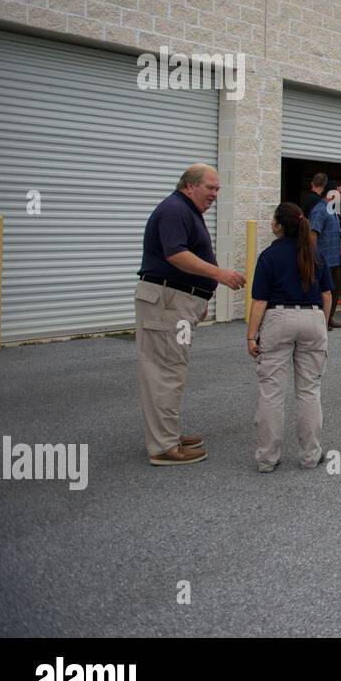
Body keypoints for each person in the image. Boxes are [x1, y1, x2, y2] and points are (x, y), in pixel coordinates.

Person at [136, 164, 245, 466]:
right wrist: (219, 274)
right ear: (189, 186)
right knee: (165, 370)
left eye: (217, 189)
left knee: (172, 368)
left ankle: (168, 435)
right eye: (210, 187)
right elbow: (176, 254)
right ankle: (163, 447)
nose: (215, 194)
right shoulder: (175, 210)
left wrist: (198, 296)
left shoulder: (185, 210)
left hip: (177, 301)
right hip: (167, 301)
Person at [247, 202, 332, 473]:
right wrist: (324, 322)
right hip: (313, 318)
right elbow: (327, 294)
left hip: (278, 318)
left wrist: (252, 335)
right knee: (309, 390)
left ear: (279, 226)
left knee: (272, 391)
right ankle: (310, 455)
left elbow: (260, 300)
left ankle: (267, 458)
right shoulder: (314, 254)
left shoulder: (269, 257)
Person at [308, 180, 341, 330]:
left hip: (334, 259)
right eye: (340, 192)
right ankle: (320, 321)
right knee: (323, 292)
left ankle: (329, 318)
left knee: (334, 290)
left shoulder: (333, 210)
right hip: (322, 260)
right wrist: (314, 256)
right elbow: (313, 234)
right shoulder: (320, 210)